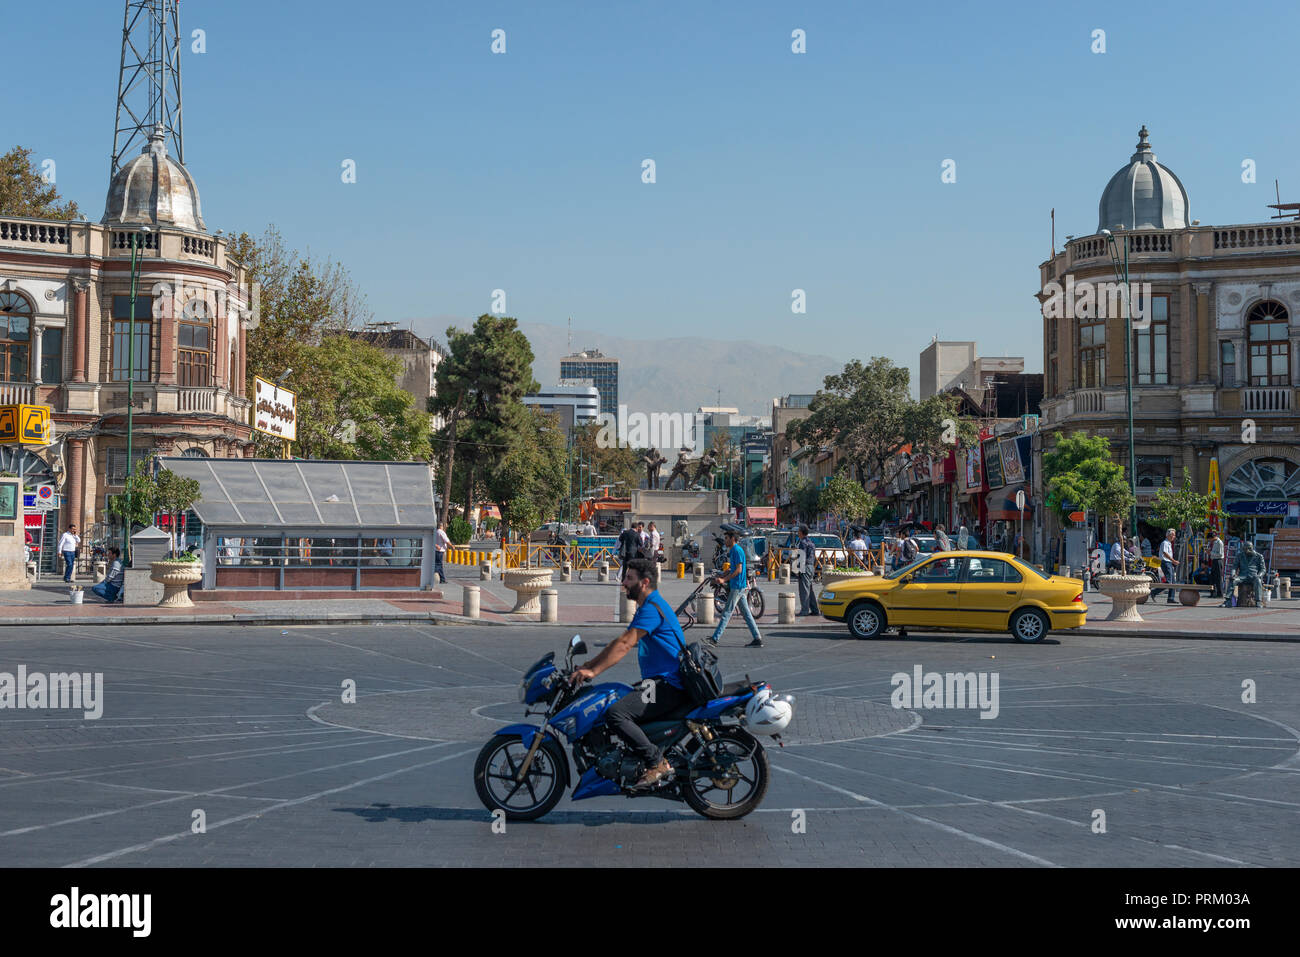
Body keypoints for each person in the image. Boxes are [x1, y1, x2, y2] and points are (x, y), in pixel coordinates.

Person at [570, 558, 689, 789]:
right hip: (657, 683)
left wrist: (593, 671)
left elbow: (625, 644)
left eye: (629, 578)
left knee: (616, 714)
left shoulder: (652, 608)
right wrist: (587, 665)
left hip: (666, 685)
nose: (624, 583)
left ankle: (656, 762)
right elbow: (619, 642)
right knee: (615, 697)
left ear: (644, 582)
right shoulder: (650, 606)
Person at [708, 526, 762, 648]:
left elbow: (738, 570)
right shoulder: (733, 551)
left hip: (737, 586)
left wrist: (723, 579)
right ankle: (757, 638)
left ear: (733, 539)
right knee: (747, 614)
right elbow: (732, 568)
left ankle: (715, 639)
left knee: (726, 613)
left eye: (726, 538)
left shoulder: (736, 550)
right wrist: (722, 573)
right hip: (739, 586)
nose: (725, 540)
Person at [1225, 542, 1266, 607]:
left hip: (1253, 576)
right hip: (1242, 576)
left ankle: (1258, 601)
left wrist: (1259, 575)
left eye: (1249, 549)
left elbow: (1263, 569)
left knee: (1258, 580)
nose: (1247, 551)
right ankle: (1228, 600)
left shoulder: (1259, 556)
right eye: (1245, 549)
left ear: (1252, 548)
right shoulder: (1239, 555)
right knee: (1233, 580)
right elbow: (1234, 567)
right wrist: (1233, 574)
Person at [795, 525, 820, 617]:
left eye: (798, 531)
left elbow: (802, 556)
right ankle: (815, 609)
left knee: (804, 589)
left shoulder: (803, 543)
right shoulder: (811, 542)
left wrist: (799, 570)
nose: (798, 533)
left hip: (804, 567)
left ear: (801, 532)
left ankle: (804, 610)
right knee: (810, 589)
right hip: (811, 567)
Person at [1152, 527, 1179, 604]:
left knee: (1173, 582)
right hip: (1166, 562)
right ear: (1168, 535)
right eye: (1173, 535)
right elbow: (1165, 553)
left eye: (1174, 535)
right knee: (1169, 582)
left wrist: (1172, 562)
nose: (1174, 536)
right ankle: (1154, 592)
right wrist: (1173, 561)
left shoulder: (1169, 543)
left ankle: (1171, 598)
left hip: (1169, 563)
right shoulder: (1165, 543)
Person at [1209, 531, 1225, 598]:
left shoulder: (1219, 542)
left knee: (1218, 578)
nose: (1210, 540)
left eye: (1210, 539)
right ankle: (1213, 593)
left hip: (1218, 560)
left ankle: (1220, 593)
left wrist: (1211, 553)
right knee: (1212, 578)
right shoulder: (1214, 543)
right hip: (1214, 560)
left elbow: (1220, 554)